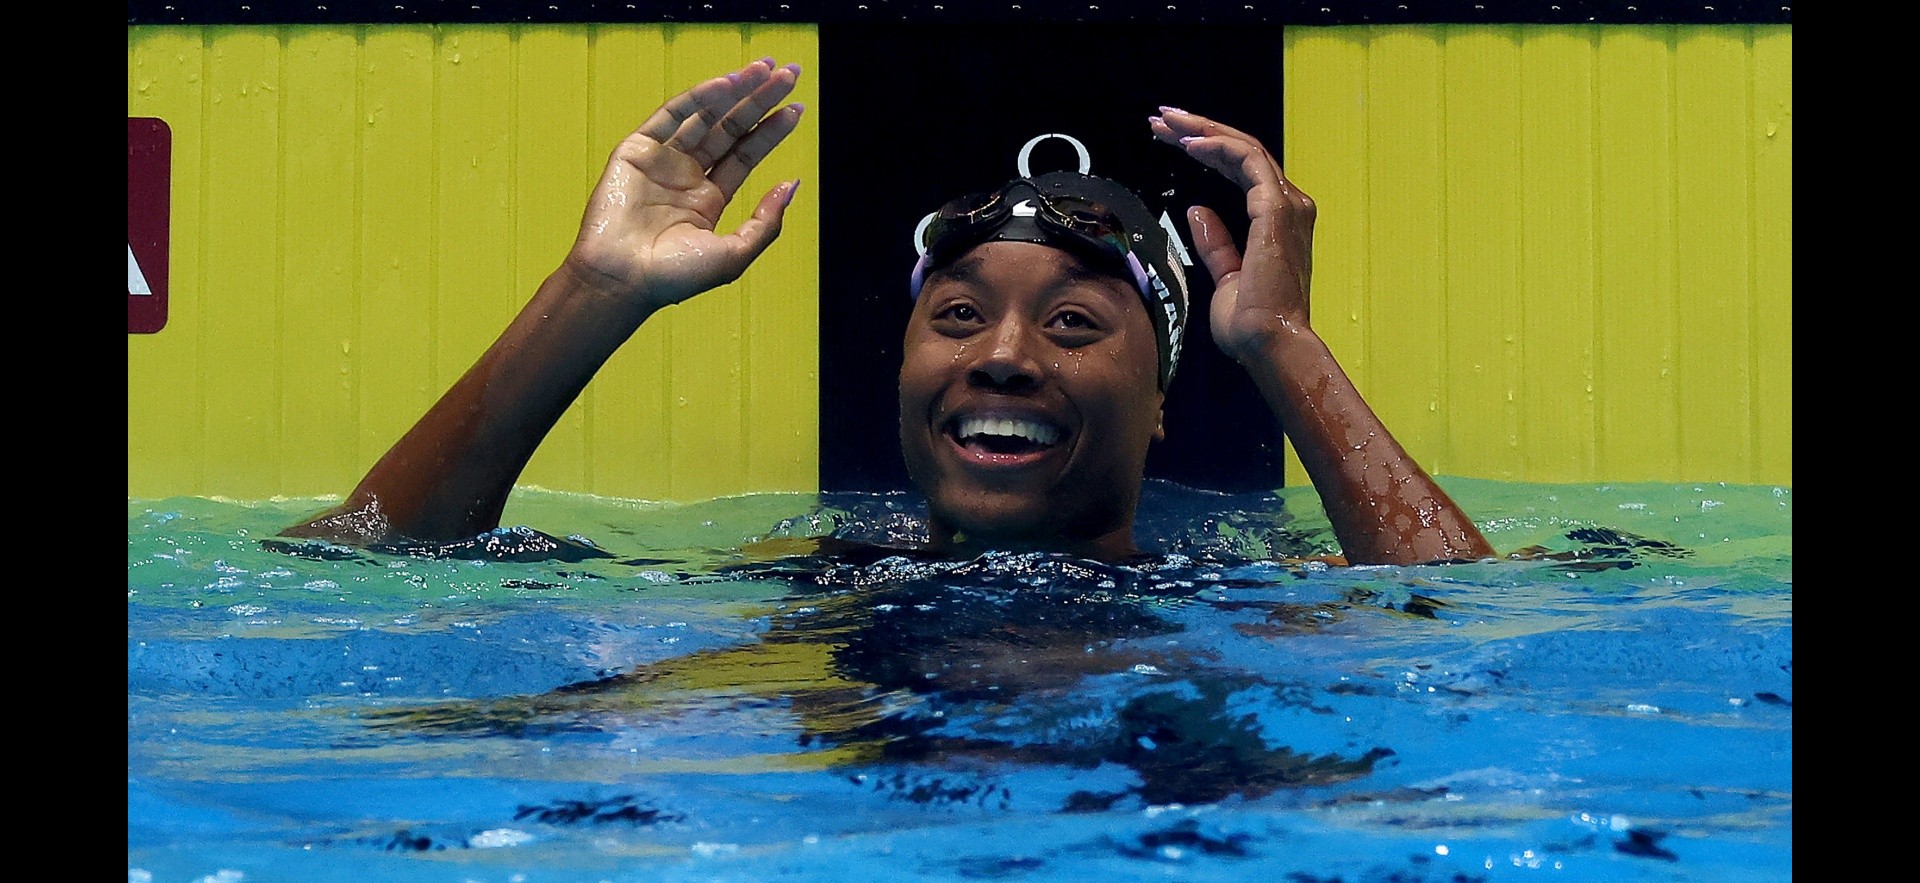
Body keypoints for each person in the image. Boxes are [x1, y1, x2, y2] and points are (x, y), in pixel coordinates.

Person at [281, 58, 1495, 569]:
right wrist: (594, 293)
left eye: (1073, 325)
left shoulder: (1237, 601)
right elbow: (364, 570)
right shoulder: (812, 587)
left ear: (1163, 404)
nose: (1004, 358)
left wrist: (1284, 347)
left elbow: (1478, 654)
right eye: (958, 317)